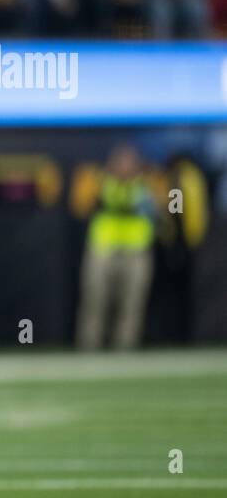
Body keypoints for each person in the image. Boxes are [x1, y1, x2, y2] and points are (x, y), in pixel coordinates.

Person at [76, 142, 156, 350]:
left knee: (132, 304)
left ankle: (125, 348)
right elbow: (79, 207)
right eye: (119, 162)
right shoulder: (100, 181)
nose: (124, 166)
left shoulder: (146, 184)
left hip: (136, 250)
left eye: (128, 162)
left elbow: (168, 211)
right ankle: (89, 347)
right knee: (95, 301)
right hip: (103, 249)